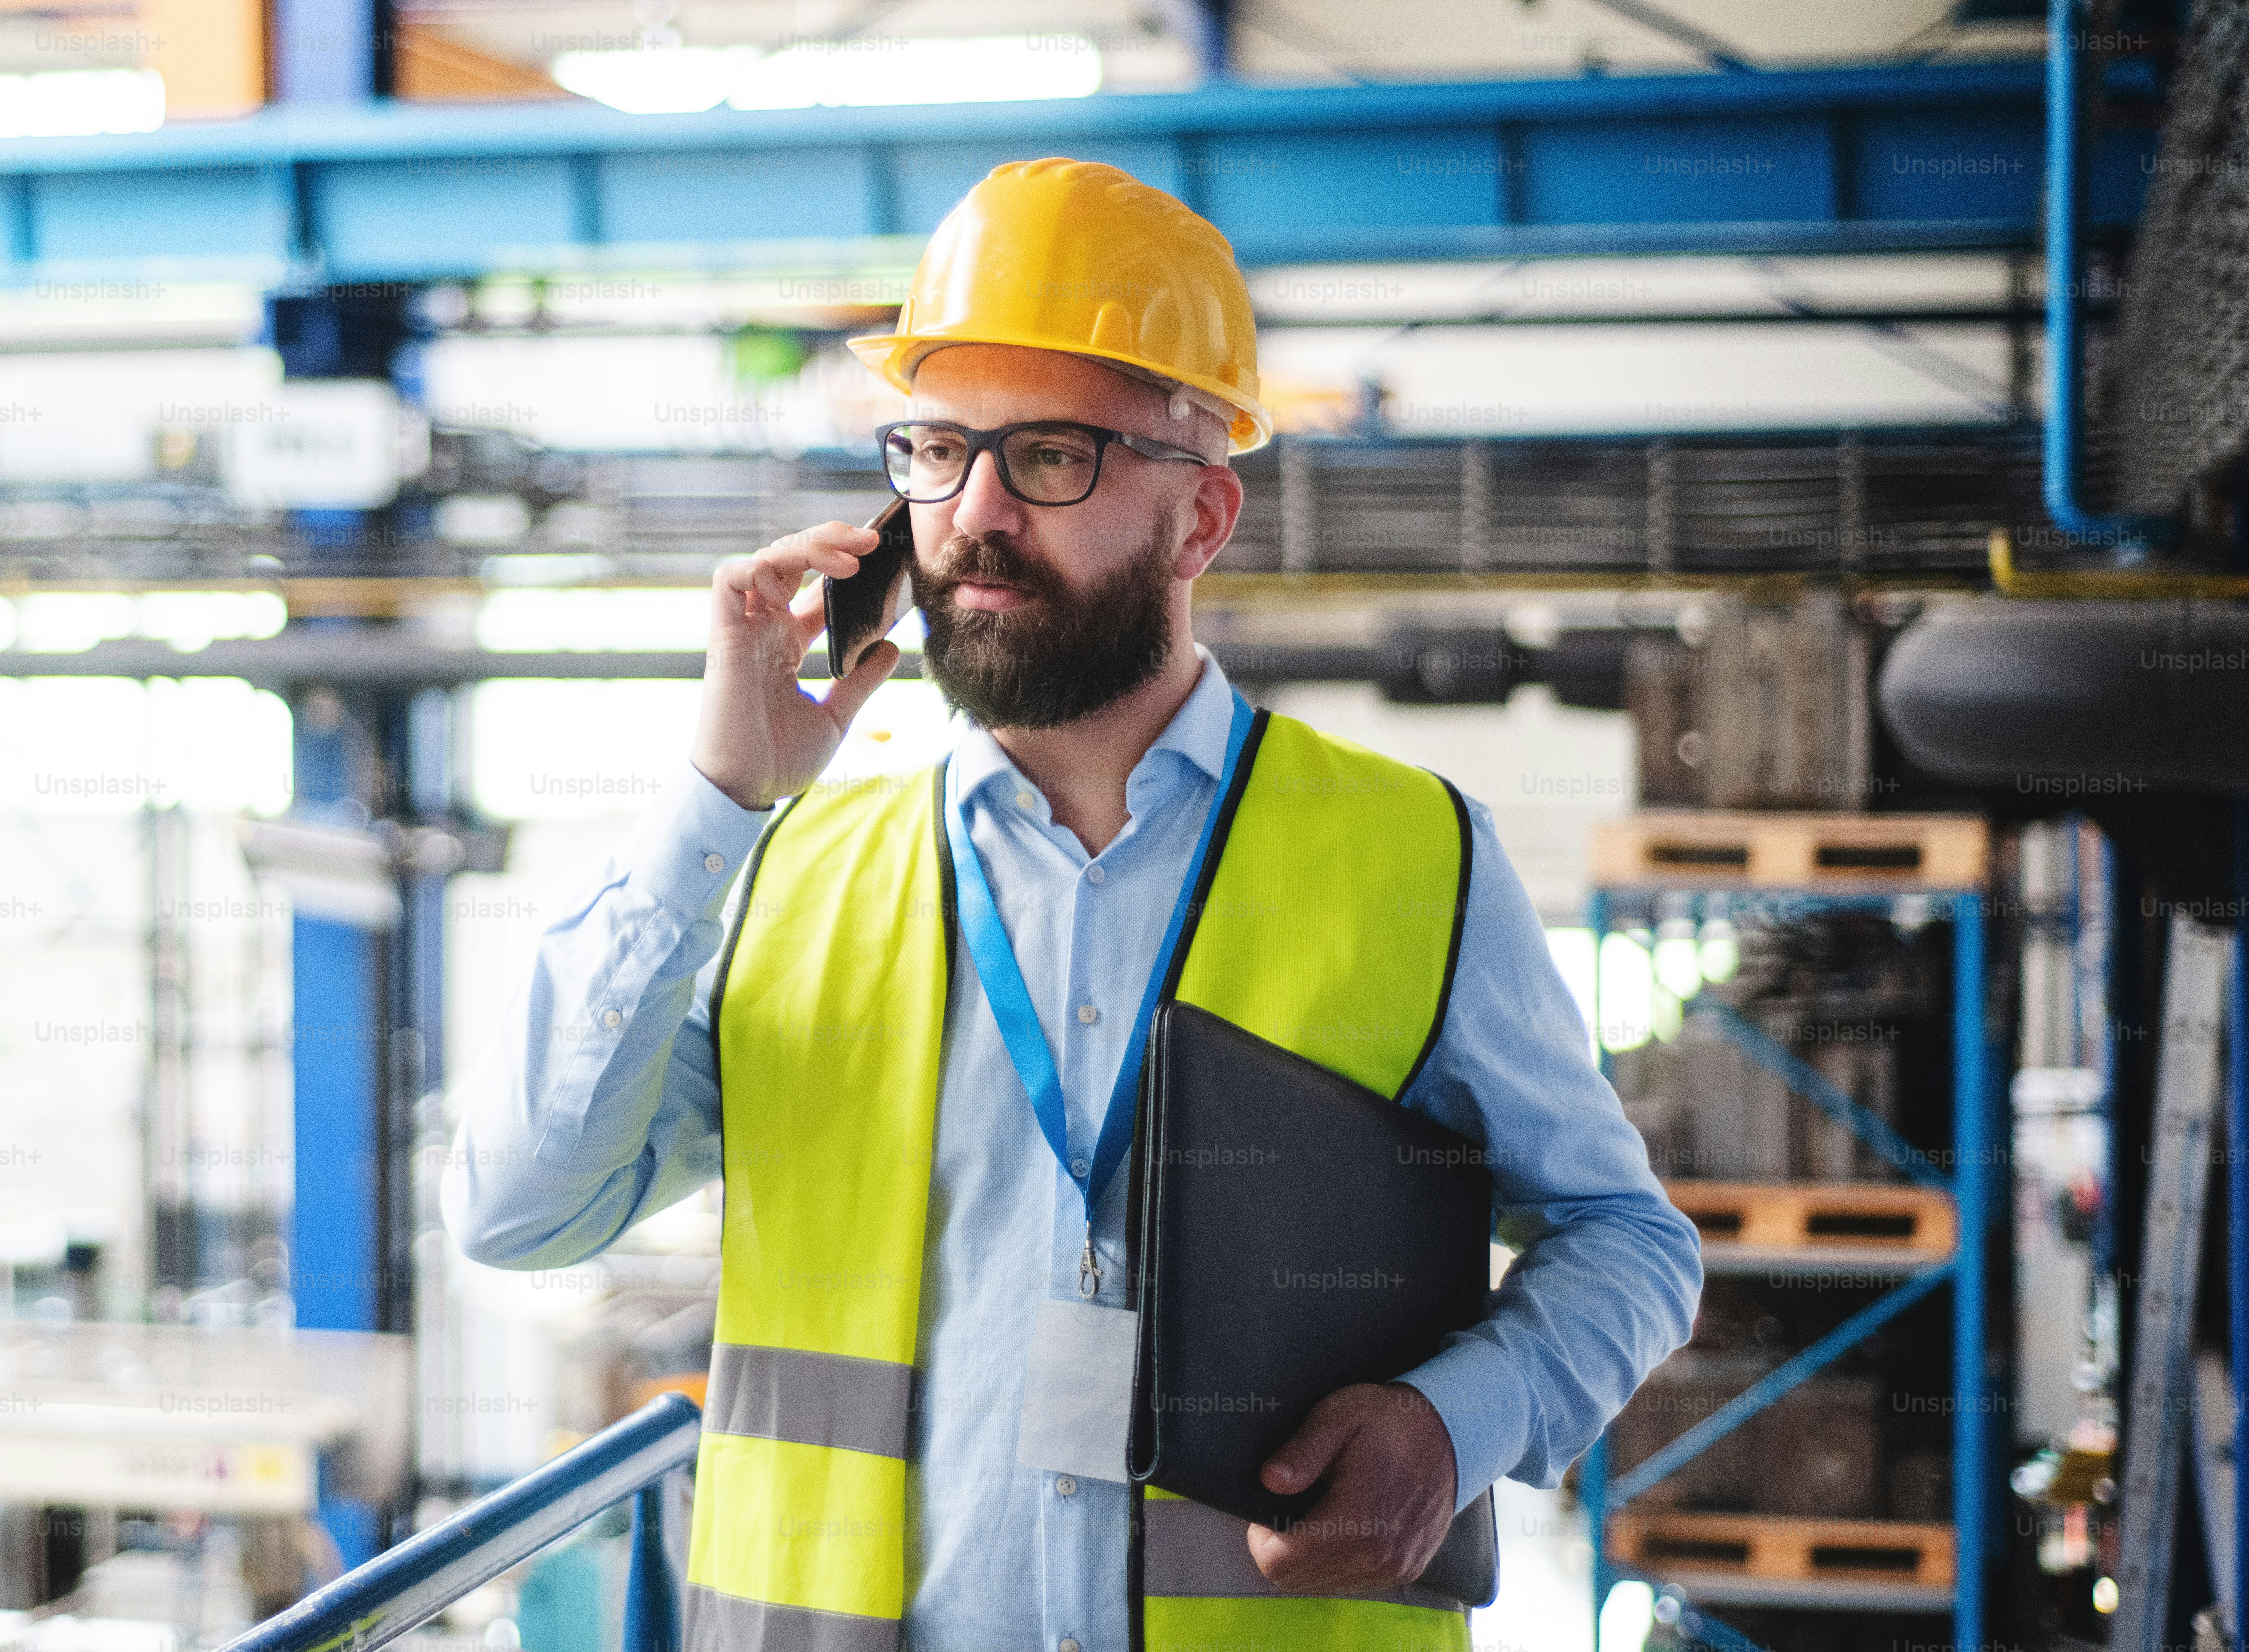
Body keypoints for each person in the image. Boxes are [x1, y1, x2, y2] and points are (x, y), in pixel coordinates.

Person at [446, 158, 1700, 1652]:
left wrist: (1455, 1425)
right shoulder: (781, 873)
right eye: (933, 448)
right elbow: (520, 1214)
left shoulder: (1415, 855)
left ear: (1202, 519)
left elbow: (1629, 1239)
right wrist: (716, 799)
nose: (971, 513)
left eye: (1050, 457)